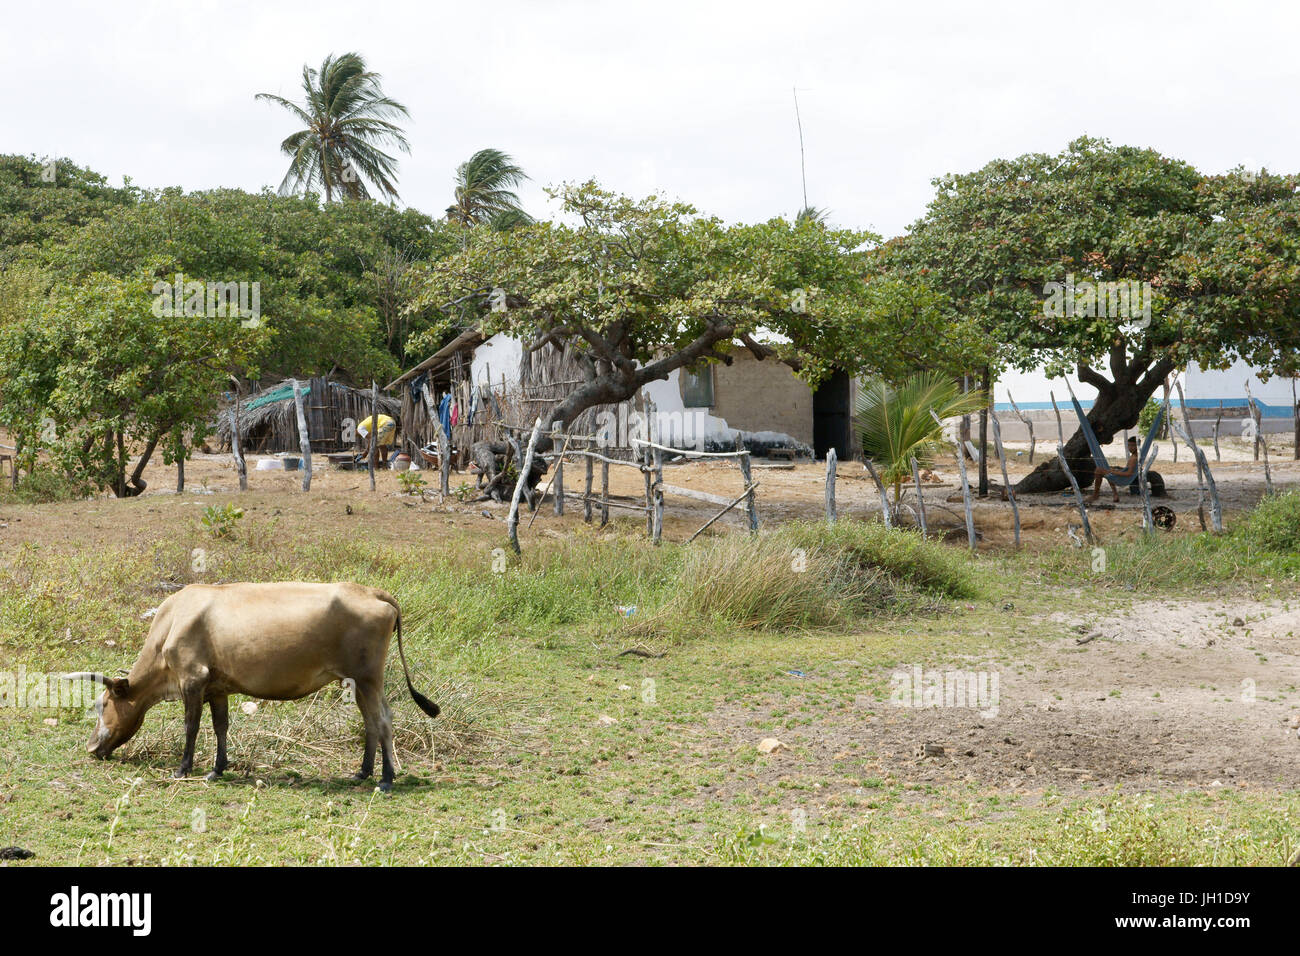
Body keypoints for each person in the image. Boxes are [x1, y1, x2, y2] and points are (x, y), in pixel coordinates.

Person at [1088, 436, 1139, 503]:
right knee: (1109, 471)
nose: (1130, 447)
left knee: (1098, 470)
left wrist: (1114, 472)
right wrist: (1114, 471)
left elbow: (1129, 473)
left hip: (1124, 480)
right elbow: (1128, 470)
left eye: (1133, 445)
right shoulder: (1136, 455)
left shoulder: (1134, 458)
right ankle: (1115, 495)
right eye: (1129, 445)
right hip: (1126, 478)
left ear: (1137, 446)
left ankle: (1096, 495)